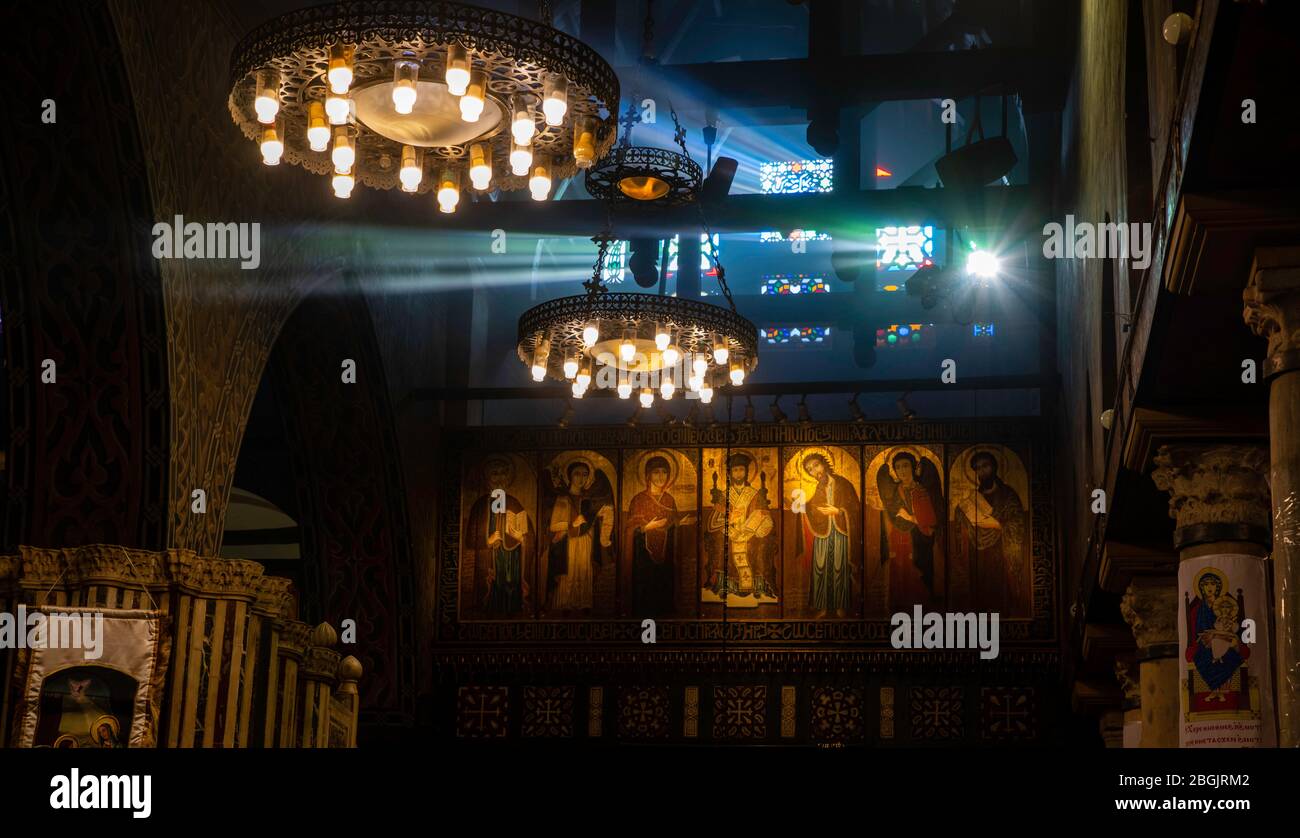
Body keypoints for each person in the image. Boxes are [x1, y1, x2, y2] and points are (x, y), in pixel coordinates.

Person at [624, 456, 695, 616]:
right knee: (646, 587)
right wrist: (647, 527)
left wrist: (679, 523)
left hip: (667, 553)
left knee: (664, 585)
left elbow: (672, 522)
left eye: (664, 472)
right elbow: (629, 530)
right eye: (656, 472)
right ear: (648, 475)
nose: (661, 476)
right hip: (643, 555)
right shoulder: (639, 499)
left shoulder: (669, 500)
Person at [798, 453, 860, 618]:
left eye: (816, 465)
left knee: (839, 567)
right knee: (821, 568)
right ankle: (822, 606)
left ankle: (840, 606)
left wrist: (838, 511)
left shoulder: (843, 484)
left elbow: (854, 508)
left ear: (825, 464)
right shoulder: (817, 487)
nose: (814, 471)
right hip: (822, 533)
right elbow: (811, 508)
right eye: (810, 470)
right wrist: (800, 505)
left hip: (840, 531)